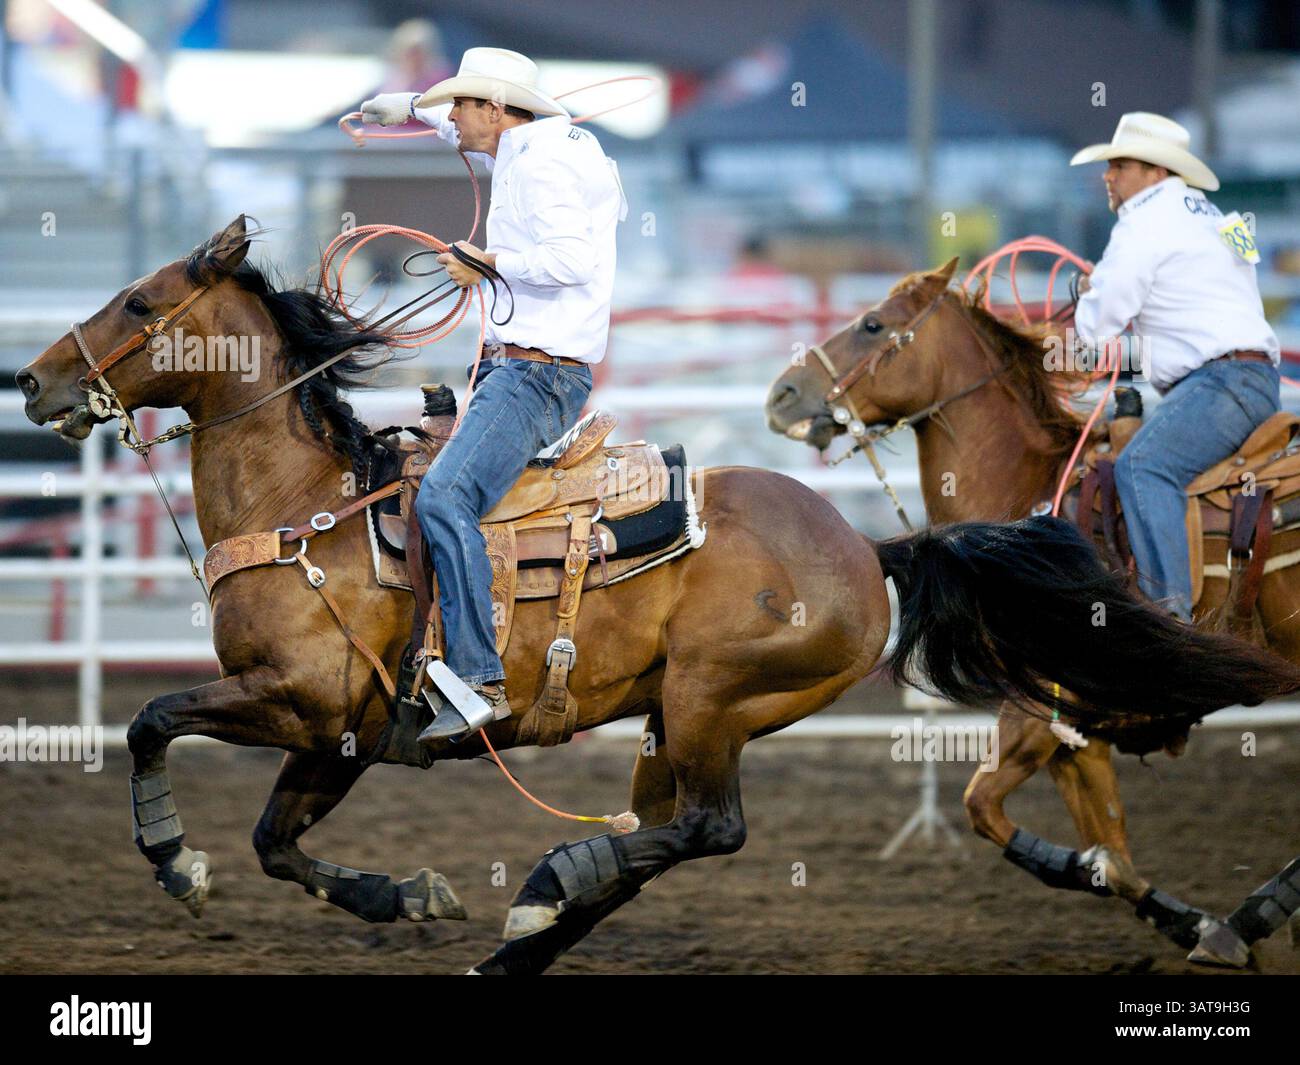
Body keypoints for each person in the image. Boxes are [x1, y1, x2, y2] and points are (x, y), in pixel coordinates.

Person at [361, 47, 627, 739]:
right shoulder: (531, 146)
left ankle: (479, 677)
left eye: (462, 103)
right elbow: (461, 134)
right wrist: (409, 111)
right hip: (525, 366)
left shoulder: (540, 165)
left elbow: (572, 261)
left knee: (446, 495)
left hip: (536, 372)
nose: (454, 117)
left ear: (497, 108)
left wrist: (485, 263)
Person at [1070, 111, 1281, 622]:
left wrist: (1084, 294)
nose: (1109, 176)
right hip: (1250, 381)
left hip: (1218, 386)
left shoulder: (1142, 223)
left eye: (1120, 164)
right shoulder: (1222, 219)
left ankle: (1169, 620)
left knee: (1143, 466)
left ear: (1156, 172)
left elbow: (1098, 328)